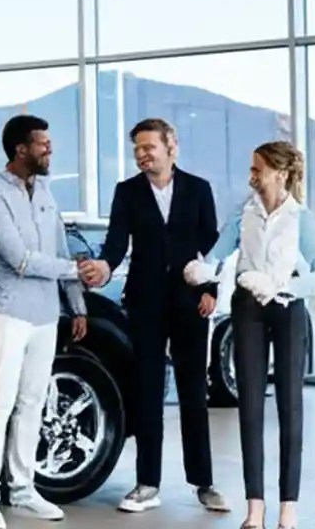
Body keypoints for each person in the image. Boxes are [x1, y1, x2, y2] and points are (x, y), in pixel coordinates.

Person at [78, 118, 229, 514]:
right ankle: (147, 484)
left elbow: (209, 245)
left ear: (170, 146)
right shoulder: (127, 192)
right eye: (137, 150)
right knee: (147, 393)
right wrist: (105, 267)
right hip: (145, 303)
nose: (142, 155)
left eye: (149, 147)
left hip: (190, 303)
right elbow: (115, 243)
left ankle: (204, 482)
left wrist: (210, 289)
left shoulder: (198, 189)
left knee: (194, 393)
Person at [182, 140, 315, 529]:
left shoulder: (302, 219)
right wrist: (202, 271)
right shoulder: (243, 214)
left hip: (287, 309)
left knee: (289, 407)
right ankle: (255, 508)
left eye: (257, 170)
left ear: (280, 173)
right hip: (248, 307)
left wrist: (284, 288)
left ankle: (288, 509)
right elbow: (215, 256)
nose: (251, 177)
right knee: (249, 404)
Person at [0, 114, 88, 529]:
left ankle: (22, 490)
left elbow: (60, 247)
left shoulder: (46, 193)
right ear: (21, 149)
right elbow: (20, 259)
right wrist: (76, 273)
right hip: (6, 313)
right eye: (43, 143)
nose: (50, 149)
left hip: (44, 316)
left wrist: (77, 305)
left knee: (33, 404)